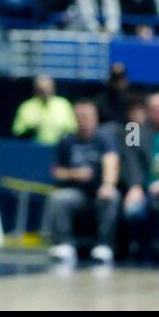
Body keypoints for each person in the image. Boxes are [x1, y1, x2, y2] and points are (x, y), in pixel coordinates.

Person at [44, 100, 119, 264]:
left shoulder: (105, 139)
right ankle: (64, 244)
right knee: (58, 198)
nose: (84, 120)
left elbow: (111, 161)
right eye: (80, 117)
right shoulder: (67, 140)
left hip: (99, 191)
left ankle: (104, 245)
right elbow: (57, 172)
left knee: (111, 197)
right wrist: (74, 174)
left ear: (96, 118)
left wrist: (108, 184)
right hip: (77, 192)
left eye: (88, 117)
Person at [120, 91, 159, 264]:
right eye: (155, 109)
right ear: (148, 112)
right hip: (144, 190)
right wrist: (134, 186)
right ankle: (140, 250)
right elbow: (129, 159)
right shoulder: (133, 131)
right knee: (133, 211)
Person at [12, 75, 78, 145]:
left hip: (60, 149)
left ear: (53, 88)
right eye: (41, 89)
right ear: (35, 90)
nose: (45, 92)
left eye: (48, 88)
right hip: (33, 149)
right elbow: (17, 133)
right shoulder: (26, 107)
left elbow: (73, 130)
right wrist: (31, 129)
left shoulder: (64, 104)